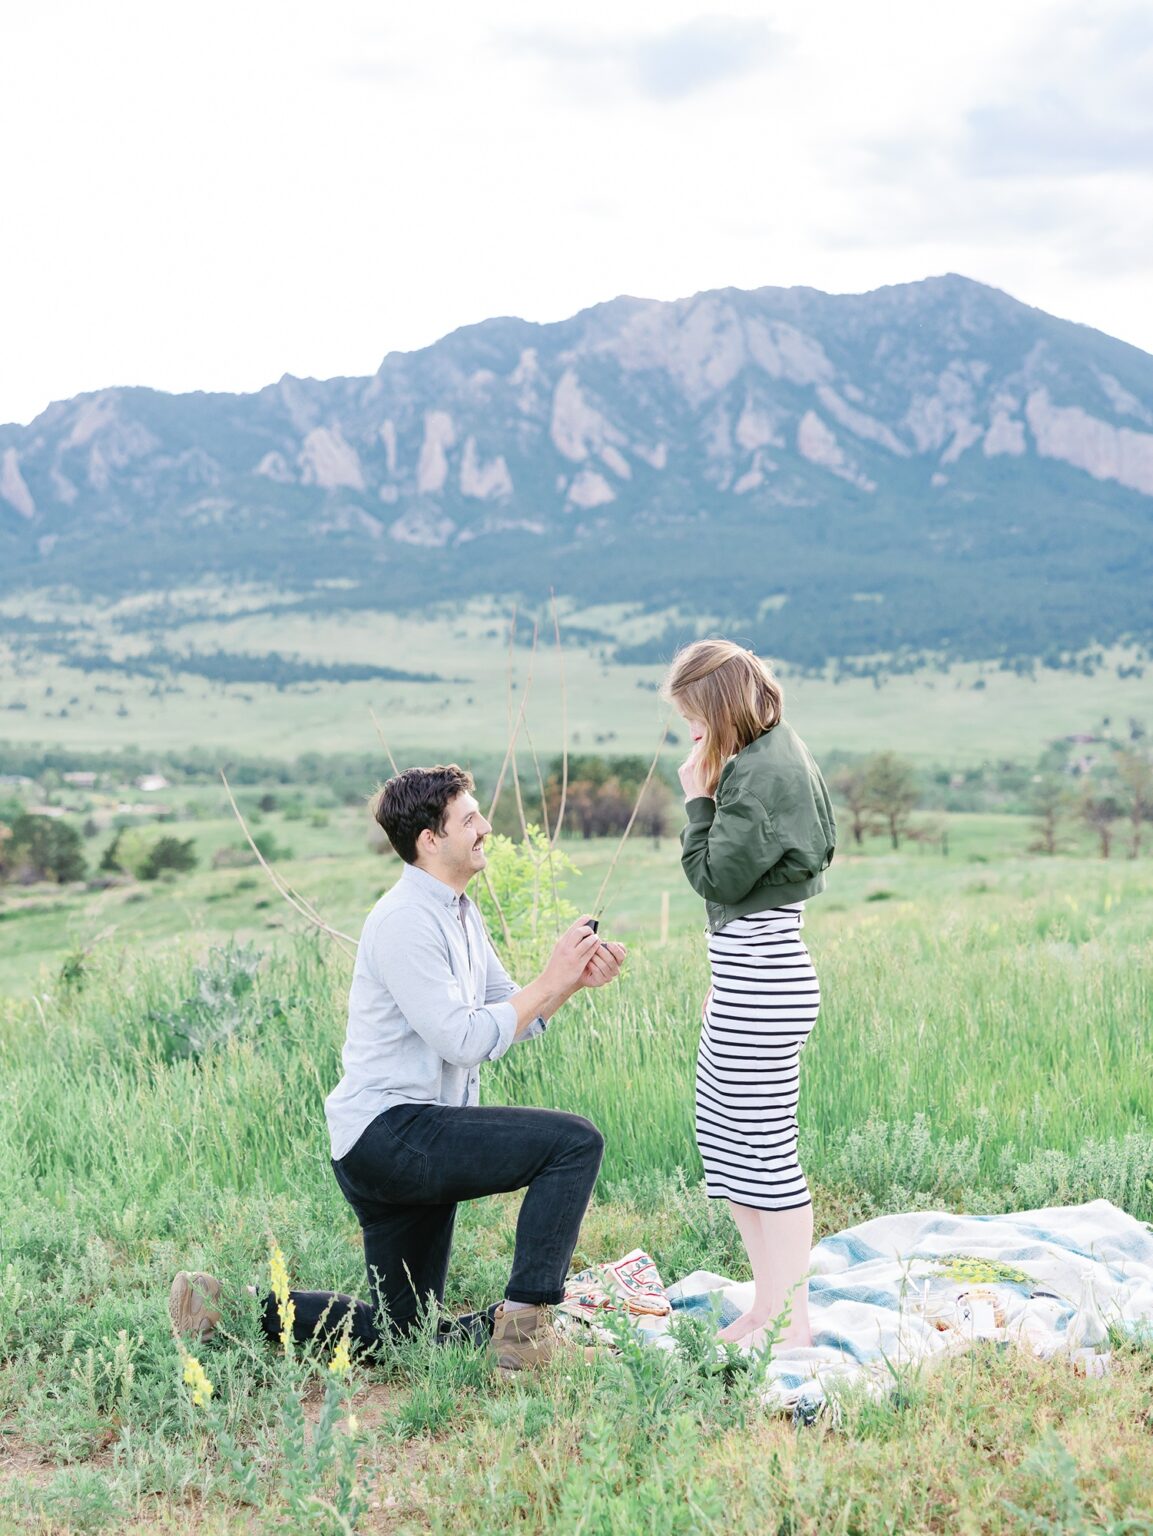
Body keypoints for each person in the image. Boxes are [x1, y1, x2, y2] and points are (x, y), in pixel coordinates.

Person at [171, 763, 625, 1372]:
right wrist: (548, 979)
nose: (485, 827)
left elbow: (506, 1010)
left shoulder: (461, 911)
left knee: (402, 1335)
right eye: (470, 819)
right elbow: (466, 1039)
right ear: (430, 840)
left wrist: (566, 985)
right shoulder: (404, 920)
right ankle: (527, 1332)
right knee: (575, 1143)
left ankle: (229, 1310)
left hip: (410, 1134)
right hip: (390, 1134)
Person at [662, 640, 835, 1350]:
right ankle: (769, 1305)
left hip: (762, 983)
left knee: (763, 1152)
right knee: (727, 1142)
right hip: (749, 979)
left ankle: (790, 1323)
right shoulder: (771, 751)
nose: (690, 733)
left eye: (692, 718)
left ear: (715, 705)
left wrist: (697, 801)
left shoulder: (756, 775)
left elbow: (716, 879)